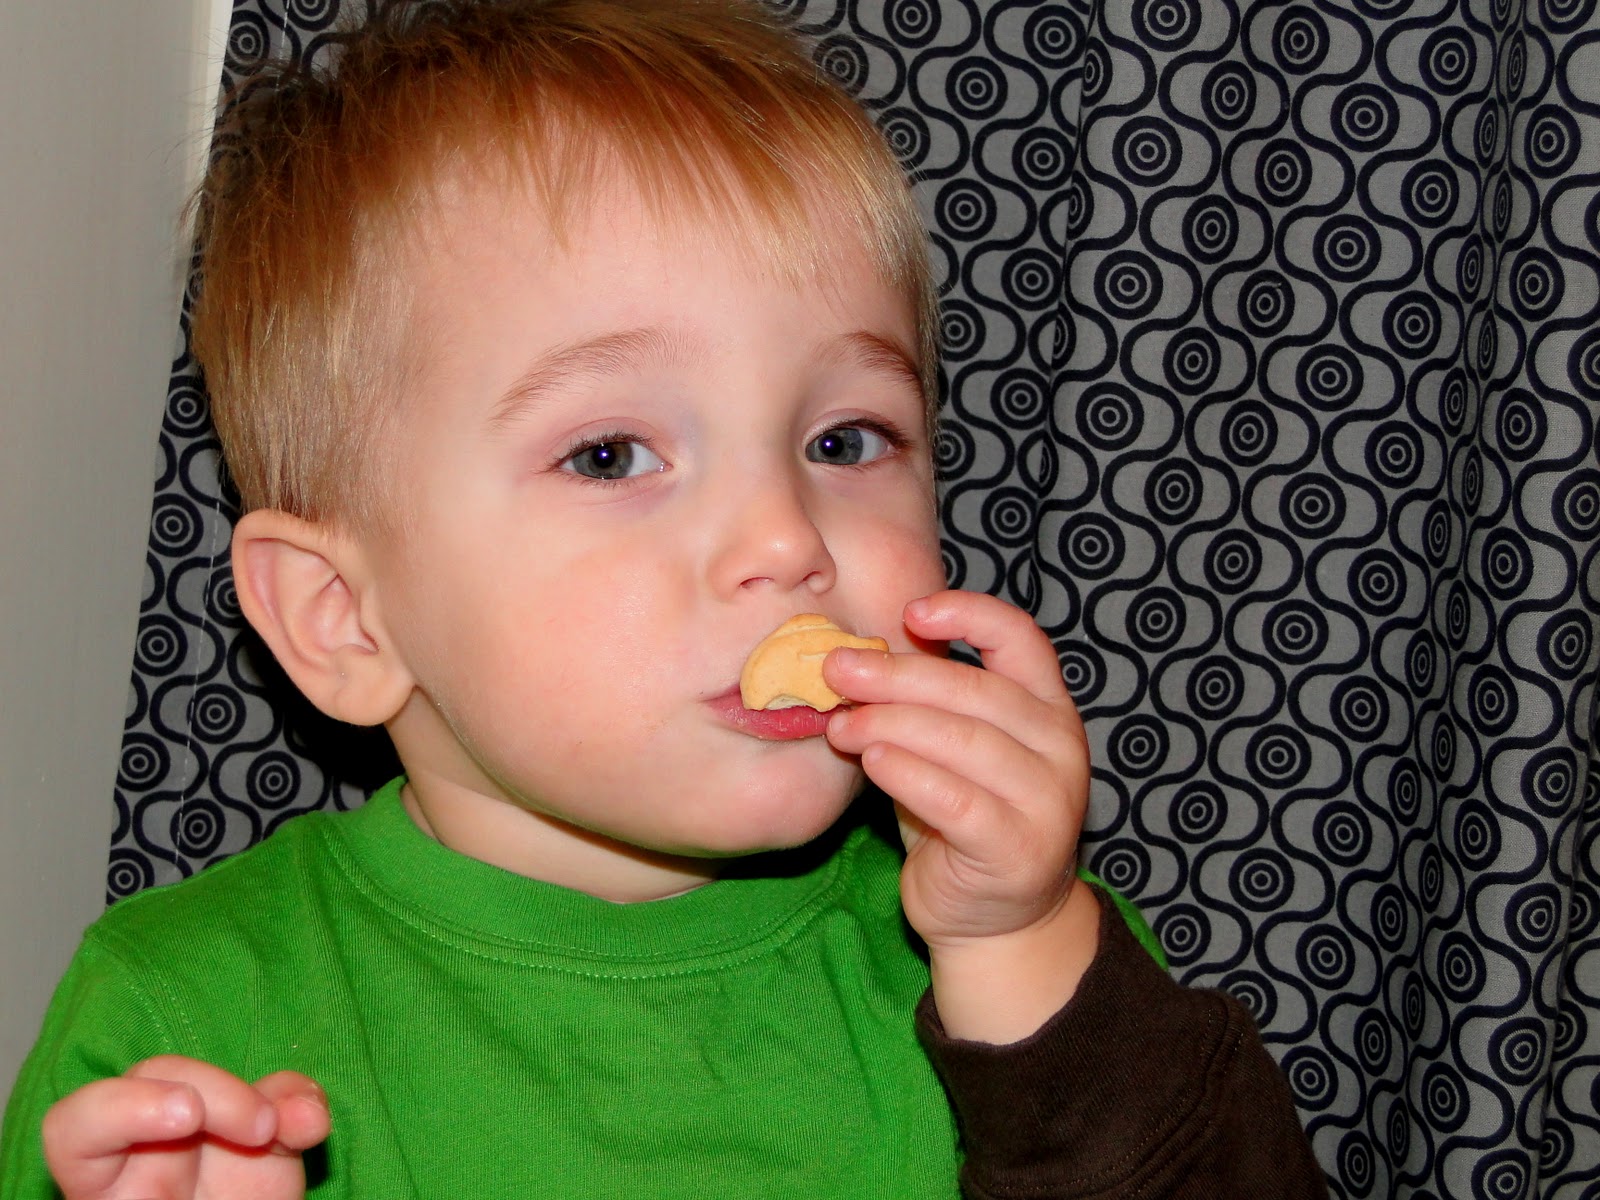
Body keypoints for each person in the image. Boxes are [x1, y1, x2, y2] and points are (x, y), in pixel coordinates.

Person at [2, 2, 1328, 1196]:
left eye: (846, 441)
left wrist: (1024, 961)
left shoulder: (1019, 951)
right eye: (612, 455)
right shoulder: (183, 1026)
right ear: (344, 619)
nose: (785, 537)